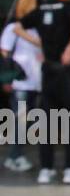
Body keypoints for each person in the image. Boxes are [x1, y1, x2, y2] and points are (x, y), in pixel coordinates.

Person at [19, 0, 70, 184]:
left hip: (47, 72)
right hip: (66, 73)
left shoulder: (42, 8)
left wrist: (42, 43)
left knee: (47, 122)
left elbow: (17, 27)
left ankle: (46, 169)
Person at [1, 14, 41, 173]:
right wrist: (7, 78)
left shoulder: (36, 30)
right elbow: (4, 52)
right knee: (21, 120)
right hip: (20, 82)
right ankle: (15, 156)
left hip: (35, 82)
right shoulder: (12, 28)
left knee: (27, 120)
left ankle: (14, 156)